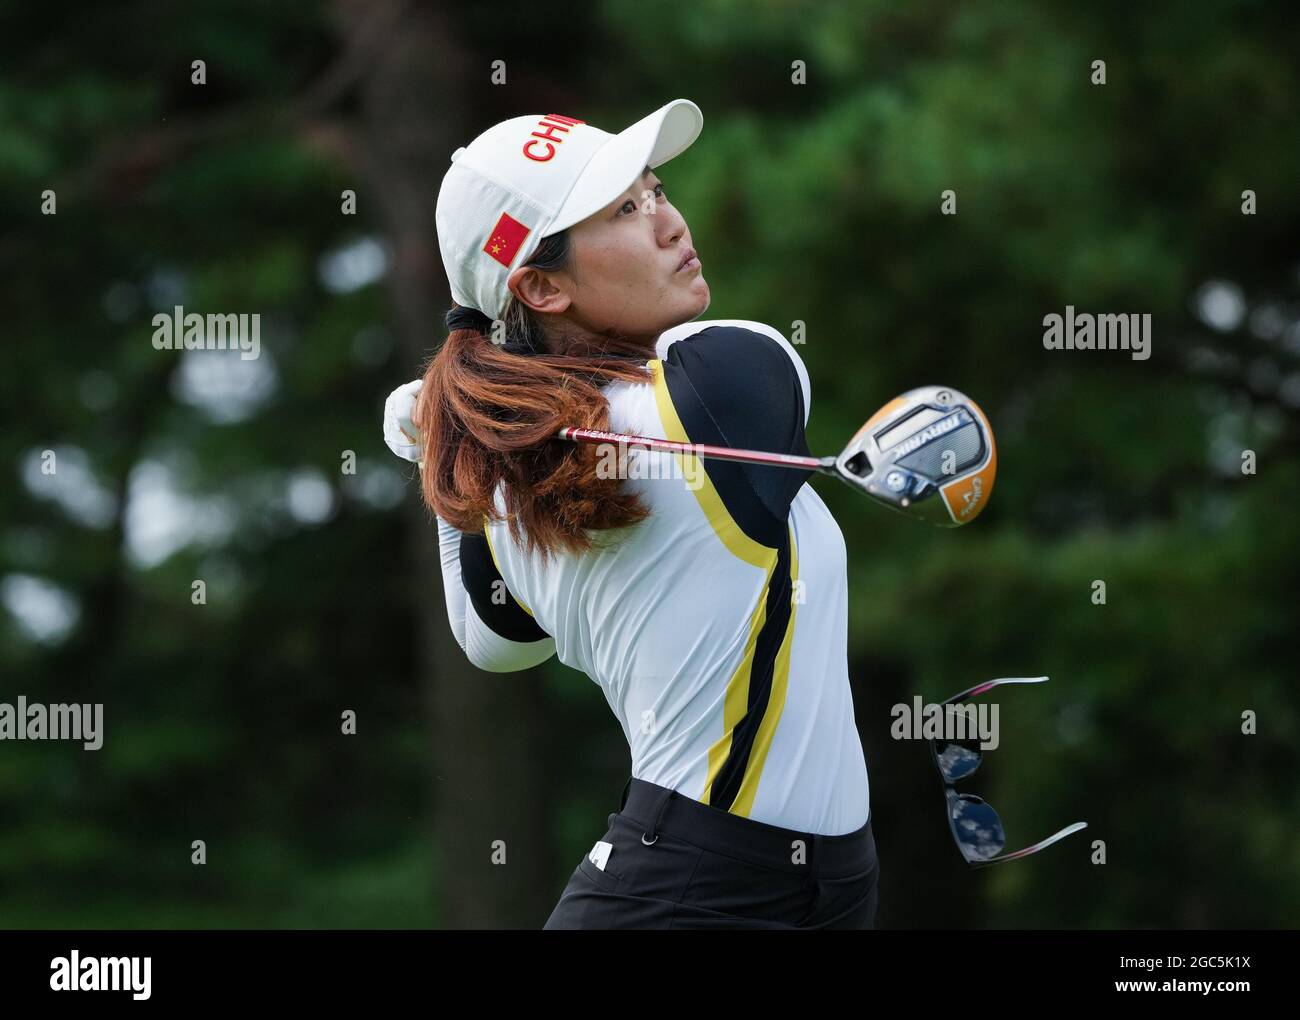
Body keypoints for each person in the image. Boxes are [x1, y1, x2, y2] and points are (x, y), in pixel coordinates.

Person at [382, 99, 878, 929]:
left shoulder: (512, 482)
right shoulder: (723, 377)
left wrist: (438, 440)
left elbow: (494, 640)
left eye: (655, 192)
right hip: (693, 891)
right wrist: (449, 432)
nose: (671, 223)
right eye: (622, 211)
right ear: (541, 286)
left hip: (773, 887)